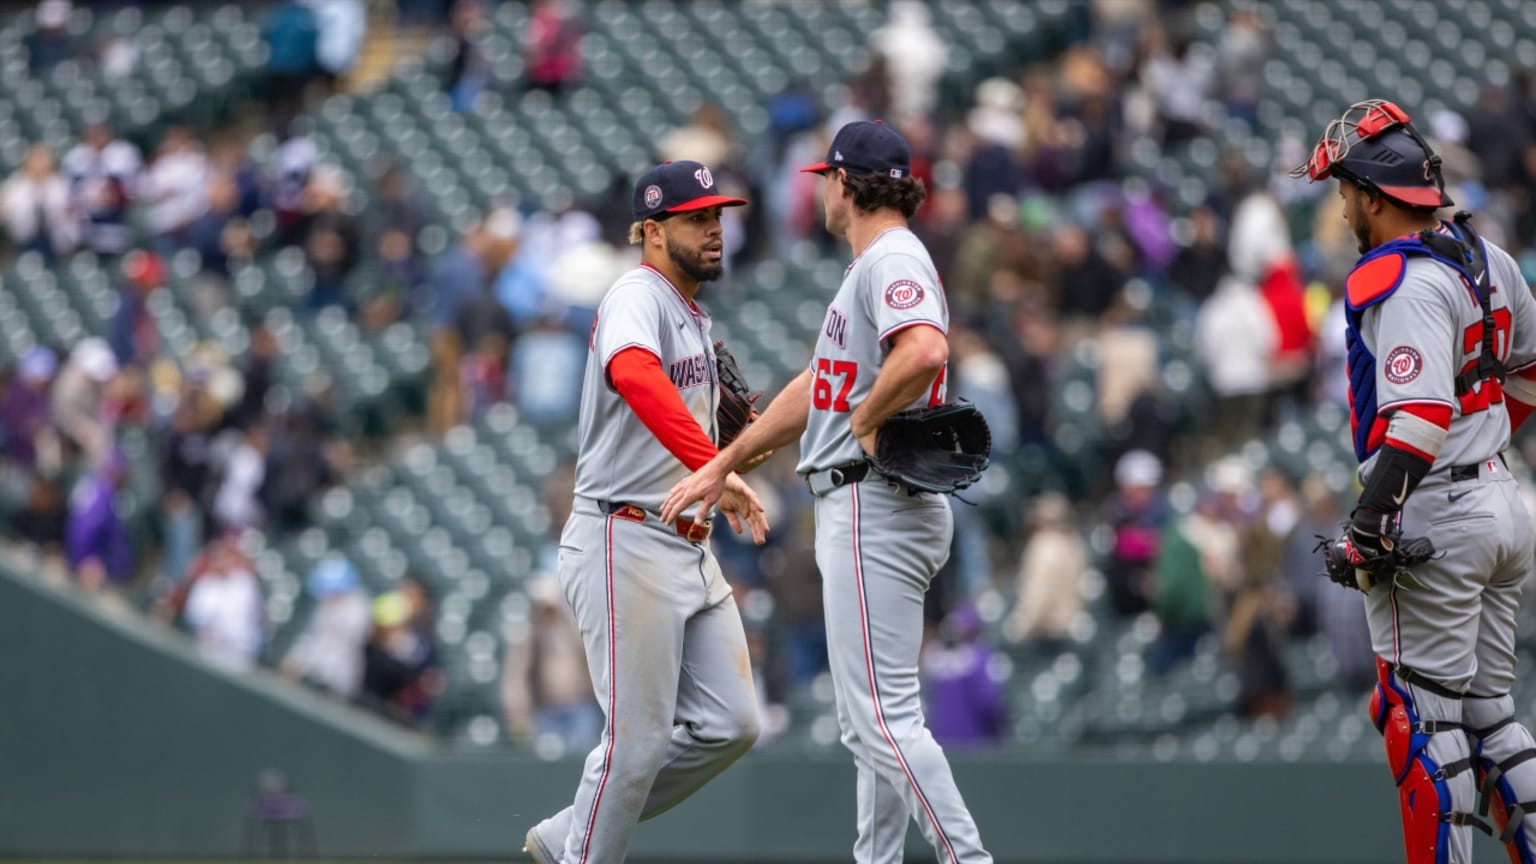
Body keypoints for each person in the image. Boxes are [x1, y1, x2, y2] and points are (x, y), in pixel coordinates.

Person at [662, 120, 992, 864]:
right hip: (871, 501)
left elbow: (927, 348)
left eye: (825, 178)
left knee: (879, 719)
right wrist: (730, 457)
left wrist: (869, 416)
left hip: (876, 501)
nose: (819, 190)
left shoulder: (893, 257)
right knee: (874, 721)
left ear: (845, 182)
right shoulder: (869, 268)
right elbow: (820, 385)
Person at [1292, 98, 1536, 862]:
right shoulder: (1484, 255)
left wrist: (1369, 524)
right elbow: (1528, 373)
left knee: (1420, 722)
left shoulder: (1397, 278)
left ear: (1371, 194)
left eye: (1343, 192)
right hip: (1502, 497)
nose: (1340, 207)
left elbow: (1420, 418)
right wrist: (1484, 452)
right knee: (1492, 717)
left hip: (1436, 515)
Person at [520, 161, 768, 864]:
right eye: (697, 218)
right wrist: (715, 467)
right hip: (621, 535)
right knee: (637, 742)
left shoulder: (690, 314)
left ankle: (572, 833)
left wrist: (733, 450)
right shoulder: (638, 292)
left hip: (685, 545)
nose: (715, 229)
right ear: (652, 232)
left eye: (718, 216)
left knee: (731, 724)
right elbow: (632, 373)